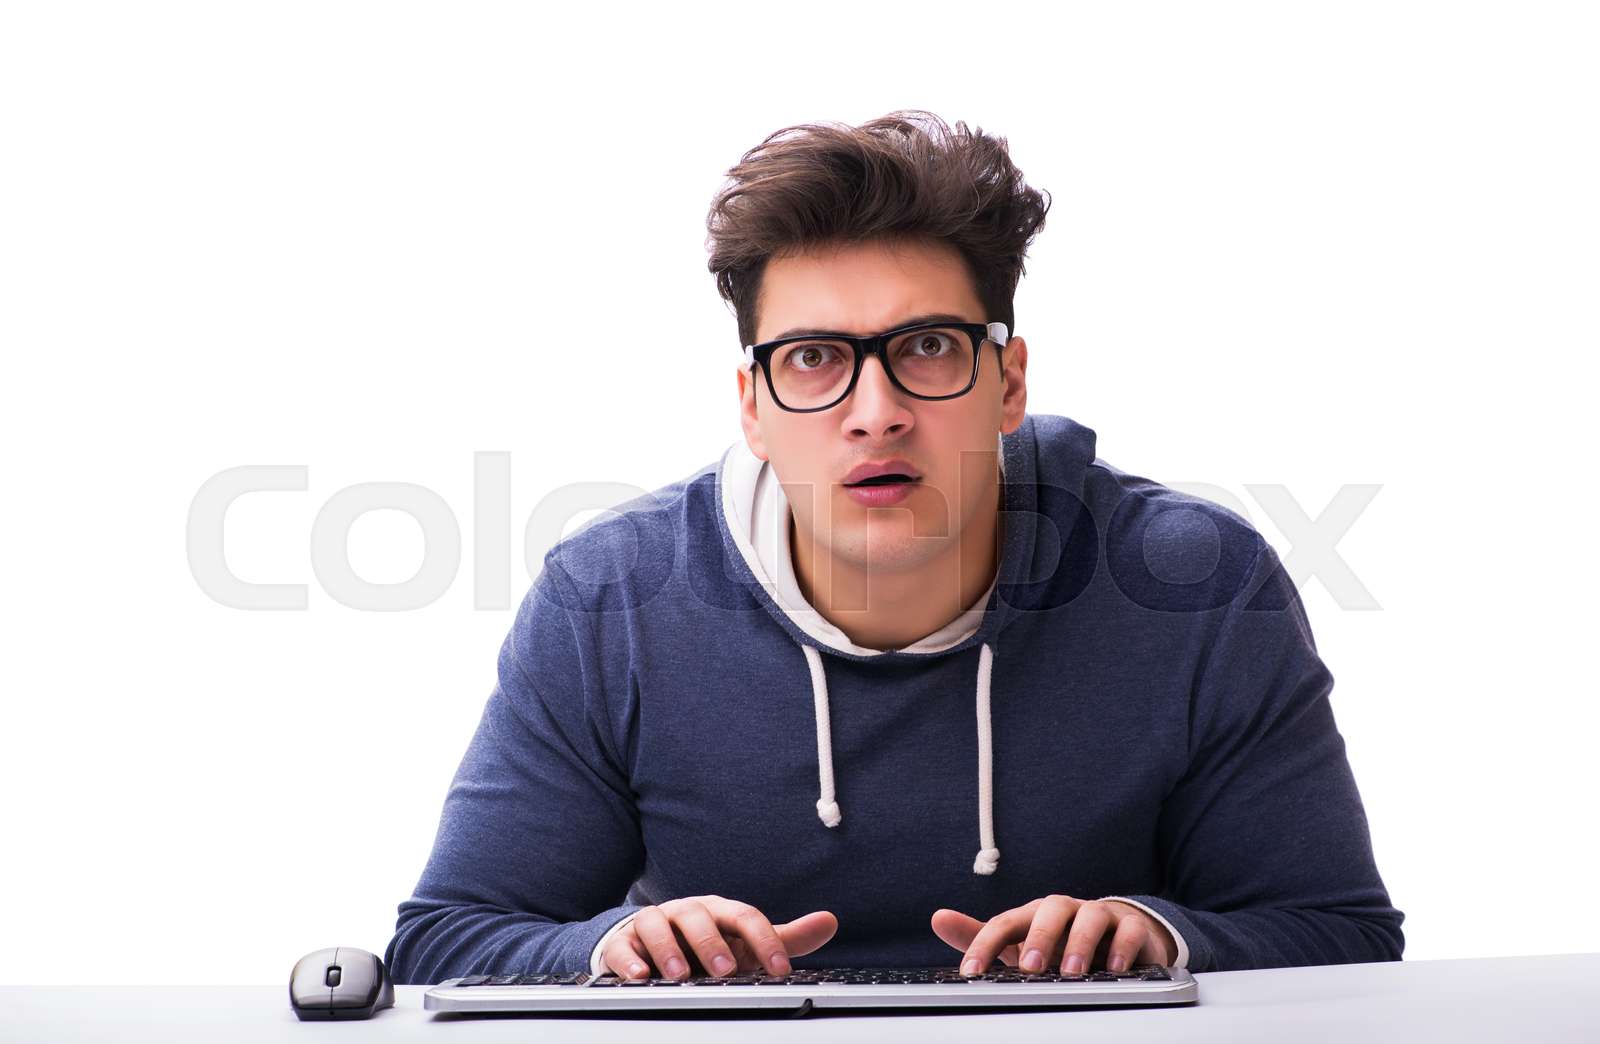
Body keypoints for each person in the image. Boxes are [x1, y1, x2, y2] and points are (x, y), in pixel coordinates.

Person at [384, 110, 1404, 985]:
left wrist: (1166, 936)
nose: (875, 413)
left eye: (926, 348)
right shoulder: (610, 599)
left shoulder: (1197, 585)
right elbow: (444, 941)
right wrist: (610, 948)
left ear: (1007, 383)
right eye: (815, 358)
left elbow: (1343, 937)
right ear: (753, 406)